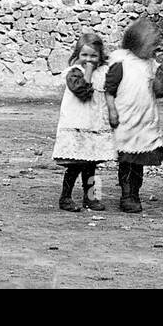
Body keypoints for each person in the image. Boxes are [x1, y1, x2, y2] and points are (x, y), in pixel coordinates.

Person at [104, 19, 163, 214]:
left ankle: (134, 192)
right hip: (126, 120)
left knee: (139, 160)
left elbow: (162, 90)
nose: (154, 50)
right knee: (127, 160)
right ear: (137, 44)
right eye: (151, 46)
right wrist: (112, 111)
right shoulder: (121, 63)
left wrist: (161, 78)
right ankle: (127, 196)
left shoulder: (151, 65)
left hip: (145, 121)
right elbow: (109, 89)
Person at [52, 30, 117, 211]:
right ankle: (65, 197)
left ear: (100, 55)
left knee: (92, 164)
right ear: (78, 55)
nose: (89, 59)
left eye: (93, 56)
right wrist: (88, 70)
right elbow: (83, 92)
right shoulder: (74, 73)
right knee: (75, 165)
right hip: (78, 123)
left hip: (95, 123)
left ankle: (91, 197)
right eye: (84, 55)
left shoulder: (104, 71)